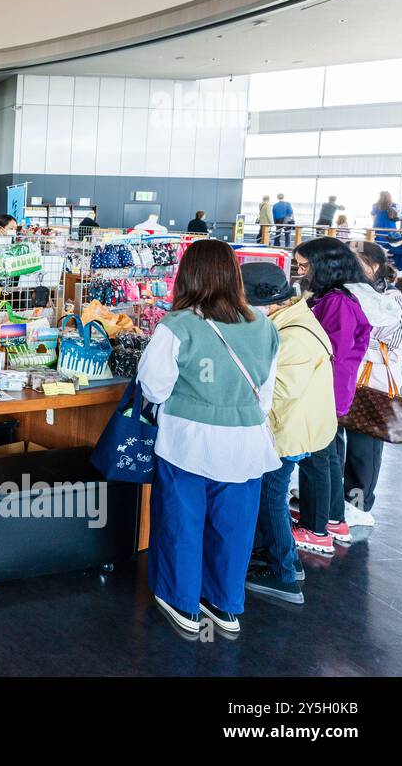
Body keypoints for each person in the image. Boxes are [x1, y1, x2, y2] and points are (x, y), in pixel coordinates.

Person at [136, 238, 280, 636]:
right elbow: (265, 393)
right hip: (247, 443)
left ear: (188, 275)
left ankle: (181, 599)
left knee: (180, 521)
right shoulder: (263, 325)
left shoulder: (178, 325)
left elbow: (154, 387)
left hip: (188, 441)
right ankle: (224, 603)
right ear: (234, 275)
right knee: (234, 527)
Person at [239, 263, 333, 606]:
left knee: (271, 499)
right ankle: (287, 562)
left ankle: (283, 576)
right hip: (294, 427)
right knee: (272, 498)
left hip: (288, 432)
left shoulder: (292, 335)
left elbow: (276, 390)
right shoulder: (291, 322)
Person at [290, 237, 371, 557]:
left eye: (304, 266)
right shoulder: (336, 298)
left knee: (316, 459)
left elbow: (328, 351)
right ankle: (332, 518)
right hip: (328, 392)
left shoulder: (337, 303)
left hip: (323, 392)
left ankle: (315, 528)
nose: (299, 272)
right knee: (327, 457)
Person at [341, 241, 402, 526]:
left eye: (357, 262)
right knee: (331, 444)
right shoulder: (345, 294)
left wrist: (352, 342)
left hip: (371, 384)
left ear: (374, 266)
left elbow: (393, 344)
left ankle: (358, 505)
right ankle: (334, 498)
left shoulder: (395, 301)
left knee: (362, 449)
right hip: (343, 380)